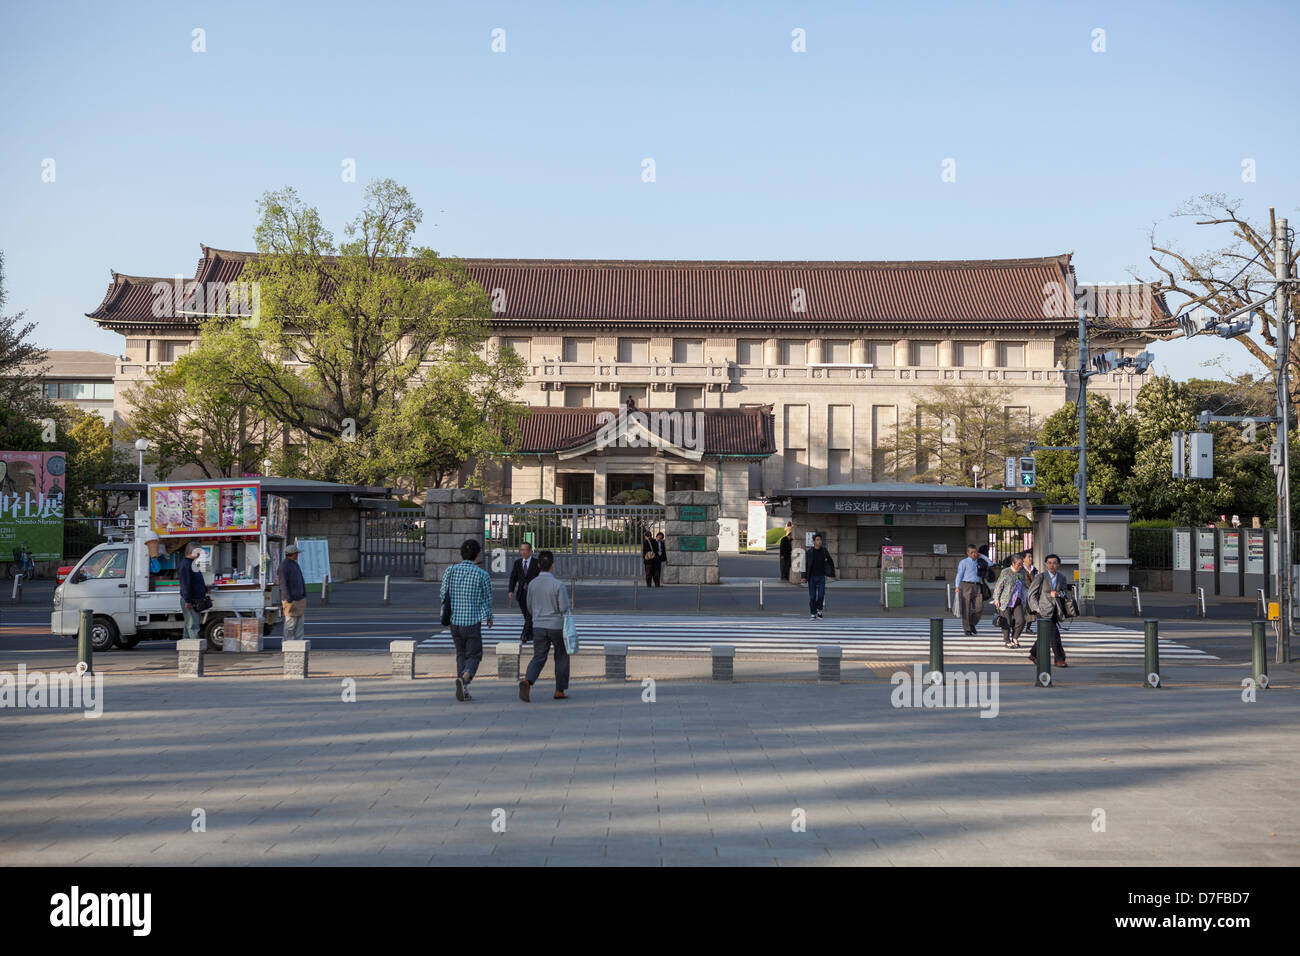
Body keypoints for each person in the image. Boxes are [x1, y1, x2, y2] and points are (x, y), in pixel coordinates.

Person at [440, 539, 495, 701]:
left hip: (454, 621)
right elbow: (487, 599)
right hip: (471, 621)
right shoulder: (482, 574)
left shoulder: (450, 571)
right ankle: (464, 679)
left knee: (460, 654)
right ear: (477, 554)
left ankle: (463, 688)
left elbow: (443, 595)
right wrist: (489, 616)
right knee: (475, 655)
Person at [518, 550, 571, 702]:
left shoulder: (532, 584)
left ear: (539, 565)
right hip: (556, 626)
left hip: (538, 626)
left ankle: (528, 681)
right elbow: (564, 608)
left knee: (539, 656)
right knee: (561, 656)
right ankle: (559, 690)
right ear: (552, 566)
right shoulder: (558, 585)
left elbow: (528, 605)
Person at [1027, 552, 1070, 668]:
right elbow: (1031, 594)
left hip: (1056, 610)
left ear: (1058, 565)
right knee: (1054, 634)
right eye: (1049, 563)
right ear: (1046, 565)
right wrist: (1036, 609)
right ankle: (1059, 659)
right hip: (1043, 611)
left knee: (1045, 634)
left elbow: (1065, 592)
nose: (1052, 565)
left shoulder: (1062, 577)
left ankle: (1034, 653)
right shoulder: (1040, 577)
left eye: (1054, 563)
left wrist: (1058, 594)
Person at [991, 552, 1029, 649]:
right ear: (1013, 563)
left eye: (1022, 564)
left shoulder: (1021, 573)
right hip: (1005, 601)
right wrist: (996, 599)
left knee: (1021, 620)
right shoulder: (1005, 572)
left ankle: (1015, 637)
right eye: (1018, 564)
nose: (1020, 566)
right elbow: (998, 586)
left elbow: (1024, 585)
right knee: (1006, 622)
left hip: (1018, 600)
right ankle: (1007, 640)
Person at [508, 541, 540, 643]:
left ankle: (524, 635)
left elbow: (540, 578)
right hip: (521, 592)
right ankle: (531, 634)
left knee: (530, 614)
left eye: (525, 550)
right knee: (526, 615)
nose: (523, 552)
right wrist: (511, 590)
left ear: (530, 551)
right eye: (522, 550)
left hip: (533, 593)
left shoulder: (536, 563)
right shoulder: (518, 563)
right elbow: (513, 577)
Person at [277, 543, 308, 641]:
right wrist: (288, 598)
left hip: (299, 598)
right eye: (296, 553)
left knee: (299, 624)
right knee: (290, 623)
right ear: (292, 554)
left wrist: (304, 594)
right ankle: (288, 643)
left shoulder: (295, 564)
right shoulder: (284, 566)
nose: (297, 555)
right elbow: (283, 584)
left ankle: (299, 643)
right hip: (290, 599)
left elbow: (301, 579)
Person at [801, 532, 835, 619]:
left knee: (821, 595)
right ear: (813, 542)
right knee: (812, 597)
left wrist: (830, 572)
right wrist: (803, 577)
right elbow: (804, 565)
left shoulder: (824, 551)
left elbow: (830, 561)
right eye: (817, 540)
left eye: (820, 540)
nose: (819, 541)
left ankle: (819, 610)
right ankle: (813, 613)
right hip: (811, 577)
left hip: (821, 577)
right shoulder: (809, 552)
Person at [954, 544, 985, 636]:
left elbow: (991, 563)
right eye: (972, 552)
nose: (974, 554)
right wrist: (957, 586)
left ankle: (972, 623)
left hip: (977, 586)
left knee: (979, 608)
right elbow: (959, 574)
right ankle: (967, 628)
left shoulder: (980, 561)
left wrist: (982, 556)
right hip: (967, 585)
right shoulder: (963, 562)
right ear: (968, 553)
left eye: (975, 552)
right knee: (966, 608)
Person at [178, 544, 207, 641]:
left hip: (192, 599)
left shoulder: (190, 563)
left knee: (189, 623)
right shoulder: (186, 565)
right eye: (198, 552)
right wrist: (187, 600)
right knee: (193, 624)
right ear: (193, 551)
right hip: (191, 600)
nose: (200, 554)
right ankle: (195, 646)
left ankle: (187, 644)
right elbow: (185, 584)